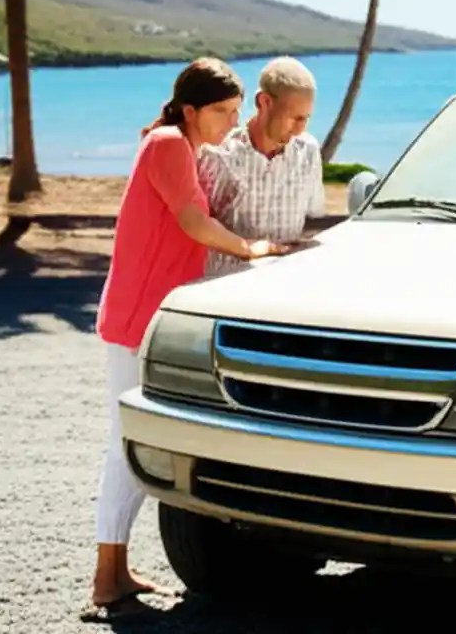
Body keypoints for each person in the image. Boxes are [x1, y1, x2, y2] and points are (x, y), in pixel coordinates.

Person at [84, 57, 289, 622]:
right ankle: (106, 577)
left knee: (134, 439)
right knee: (128, 442)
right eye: (222, 112)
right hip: (137, 318)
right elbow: (194, 223)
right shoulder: (171, 143)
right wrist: (256, 248)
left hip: (150, 315)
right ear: (193, 109)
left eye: (236, 112)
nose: (230, 122)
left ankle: (116, 570)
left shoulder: (179, 144)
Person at [198, 56, 326, 278]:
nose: (299, 129)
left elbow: (314, 213)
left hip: (287, 287)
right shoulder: (217, 153)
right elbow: (197, 225)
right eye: (294, 117)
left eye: (306, 118)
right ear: (264, 102)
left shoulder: (309, 151)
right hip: (226, 289)